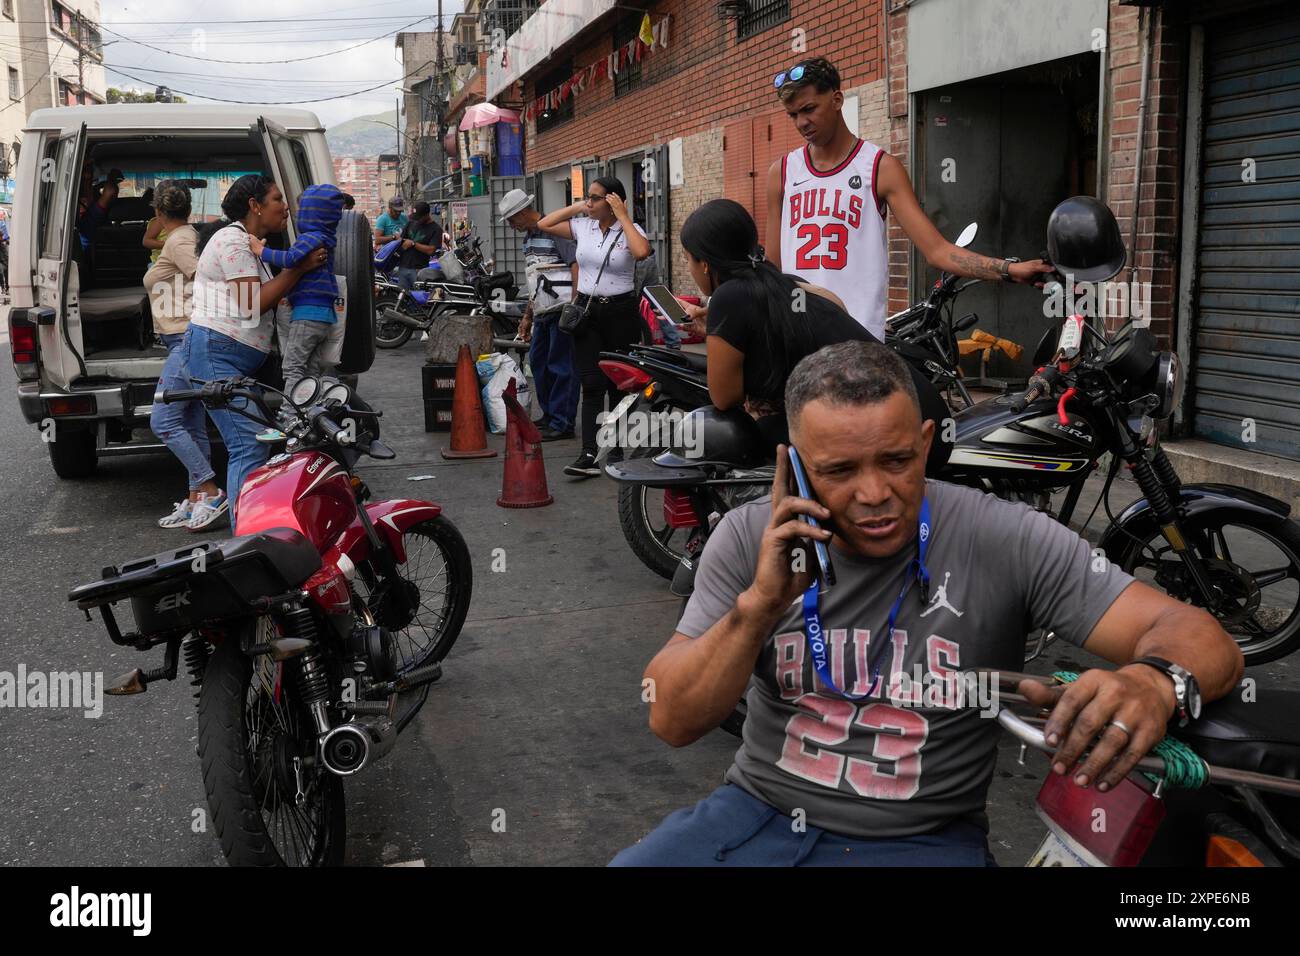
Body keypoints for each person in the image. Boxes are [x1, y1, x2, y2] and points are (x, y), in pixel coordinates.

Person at [612, 340, 1244, 866]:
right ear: (796, 468)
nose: (875, 493)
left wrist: (1154, 681)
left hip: (919, 841)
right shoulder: (750, 537)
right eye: (838, 471)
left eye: (896, 461)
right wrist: (759, 604)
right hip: (756, 815)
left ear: (925, 442)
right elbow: (672, 718)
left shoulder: (1003, 535)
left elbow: (1198, 635)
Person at [765, 57, 1052, 339]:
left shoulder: (879, 168)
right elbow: (772, 270)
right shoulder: (783, 172)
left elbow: (937, 250)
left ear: (837, 99)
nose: (802, 122)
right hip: (798, 339)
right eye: (793, 115)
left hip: (856, 343)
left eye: (809, 109)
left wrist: (1008, 269)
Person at [682, 198, 950, 470]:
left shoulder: (728, 297)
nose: (691, 269)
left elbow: (724, 397)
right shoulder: (783, 284)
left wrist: (717, 331)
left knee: (748, 436)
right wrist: (718, 333)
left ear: (704, 264)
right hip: (926, 419)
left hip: (898, 437)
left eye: (689, 260)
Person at [181, 174, 328, 521]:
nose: (286, 208)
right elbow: (251, 305)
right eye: (277, 199)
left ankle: (259, 528)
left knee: (264, 439)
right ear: (255, 206)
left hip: (233, 358)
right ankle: (244, 540)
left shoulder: (251, 248)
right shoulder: (232, 242)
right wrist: (298, 268)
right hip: (216, 355)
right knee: (247, 444)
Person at [535, 176, 652, 477]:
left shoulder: (629, 229)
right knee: (591, 384)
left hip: (620, 313)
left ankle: (614, 450)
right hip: (587, 312)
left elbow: (641, 252)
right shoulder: (583, 227)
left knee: (617, 385)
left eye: (596, 198)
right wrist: (580, 205)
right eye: (589, 197)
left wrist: (623, 215)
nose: (590, 202)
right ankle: (588, 454)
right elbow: (545, 223)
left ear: (613, 201)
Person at [143, 185, 226, 530]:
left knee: (162, 420)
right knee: (190, 421)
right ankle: (195, 501)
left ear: (159, 215)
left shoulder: (177, 240)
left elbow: (205, 277)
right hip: (179, 335)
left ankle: (210, 489)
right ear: (188, 209)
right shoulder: (185, 235)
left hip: (185, 339)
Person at [247, 183, 346, 396]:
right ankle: (310, 411)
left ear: (312, 214)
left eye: (301, 210)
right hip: (323, 316)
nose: (294, 213)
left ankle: (291, 412)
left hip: (308, 314)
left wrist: (260, 249)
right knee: (310, 371)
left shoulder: (310, 237)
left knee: (292, 367)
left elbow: (290, 259)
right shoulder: (325, 236)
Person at [499, 187, 580, 441]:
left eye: (512, 220)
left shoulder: (555, 230)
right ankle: (550, 415)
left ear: (523, 213)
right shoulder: (529, 239)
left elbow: (575, 264)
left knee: (561, 365)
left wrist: (574, 305)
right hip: (542, 311)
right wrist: (527, 317)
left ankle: (562, 421)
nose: (512, 226)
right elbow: (536, 280)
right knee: (539, 362)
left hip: (561, 310)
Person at [394, 201, 441, 291]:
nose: (417, 220)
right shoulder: (411, 223)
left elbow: (431, 250)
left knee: (418, 298)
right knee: (402, 298)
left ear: (427, 215)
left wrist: (413, 244)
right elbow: (402, 241)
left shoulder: (436, 229)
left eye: (419, 217)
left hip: (419, 270)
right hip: (403, 267)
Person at [142, 180, 175, 263]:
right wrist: (167, 244)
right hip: (159, 263)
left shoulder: (178, 222)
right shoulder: (159, 222)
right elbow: (146, 241)